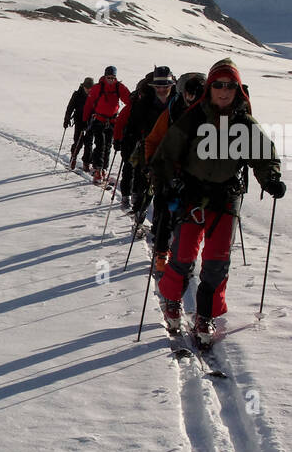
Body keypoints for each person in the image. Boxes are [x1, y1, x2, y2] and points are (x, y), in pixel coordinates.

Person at [149, 59, 285, 343]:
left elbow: (264, 156)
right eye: (219, 85)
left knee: (217, 260)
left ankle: (205, 316)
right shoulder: (195, 117)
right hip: (193, 195)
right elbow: (166, 153)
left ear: (238, 90)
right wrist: (165, 184)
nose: (224, 91)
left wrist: (270, 177)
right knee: (184, 254)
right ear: (210, 87)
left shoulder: (243, 123)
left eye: (230, 86)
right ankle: (172, 301)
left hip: (226, 196)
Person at [145, 72, 205, 275]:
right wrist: (151, 165)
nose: (192, 96)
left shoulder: (209, 114)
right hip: (168, 171)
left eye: (196, 92)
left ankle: (174, 254)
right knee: (163, 213)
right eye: (189, 91)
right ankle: (161, 252)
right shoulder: (172, 112)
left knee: (184, 218)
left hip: (194, 176)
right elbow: (153, 140)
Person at [117, 66, 175, 213]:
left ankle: (159, 226)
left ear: (171, 85)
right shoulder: (143, 104)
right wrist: (125, 145)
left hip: (171, 153)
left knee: (166, 191)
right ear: (153, 87)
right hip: (149, 149)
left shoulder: (177, 103)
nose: (161, 90)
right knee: (144, 185)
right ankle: (139, 214)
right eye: (158, 86)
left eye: (165, 86)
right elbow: (131, 126)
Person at [82, 66, 131, 184]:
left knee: (108, 145)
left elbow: (129, 100)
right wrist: (84, 119)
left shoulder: (119, 87)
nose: (111, 80)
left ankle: (103, 168)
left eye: (113, 78)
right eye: (109, 77)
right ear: (105, 76)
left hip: (113, 121)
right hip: (99, 120)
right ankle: (98, 169)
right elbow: (89, 104)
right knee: (100, 144)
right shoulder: (98, 88)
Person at [64, 77, 94, 170]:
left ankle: (86, 163)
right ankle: (73, 158)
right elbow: (70, 107)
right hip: (79, 120)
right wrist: (66, 119)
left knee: (89, 143)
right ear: (83, 86)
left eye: (90, 88)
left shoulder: (95, 95)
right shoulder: (77, 94)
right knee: (78, 141)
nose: (89, 90)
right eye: (87, 88)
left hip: (90, 122)